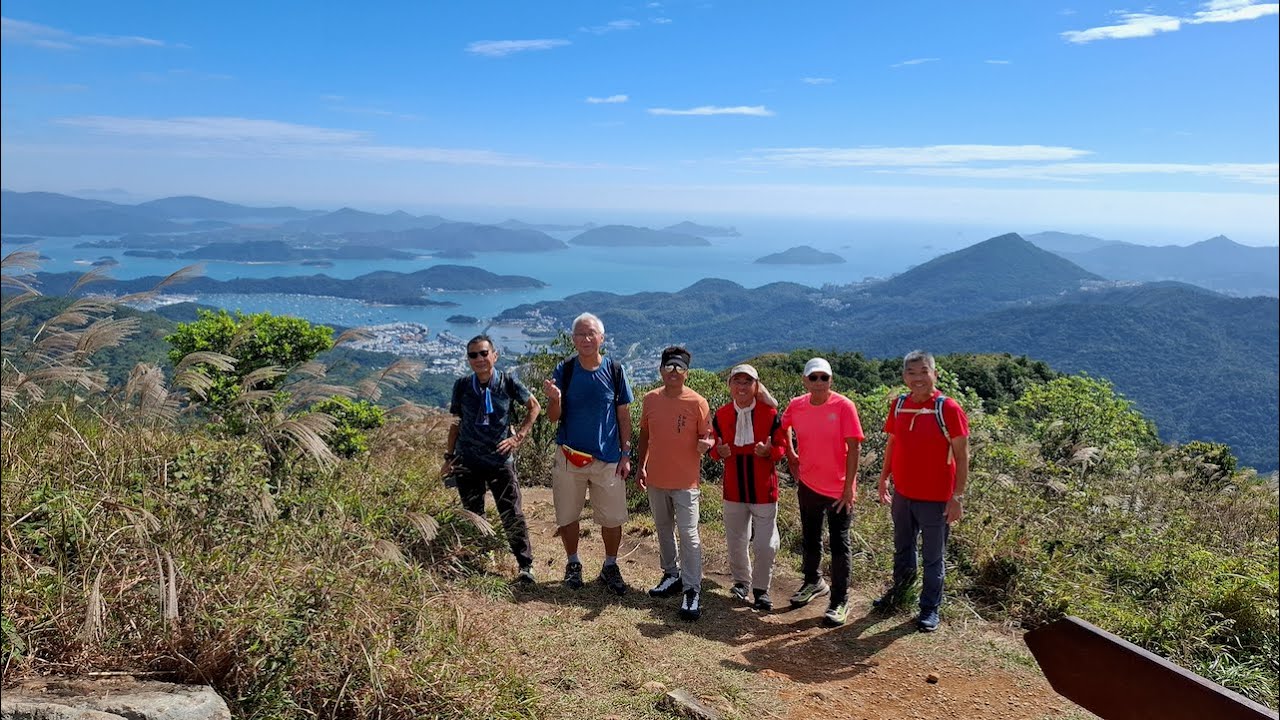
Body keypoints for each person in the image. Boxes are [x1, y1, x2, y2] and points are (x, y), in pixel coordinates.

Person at [876, 350, 970, 632]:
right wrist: (884, 479)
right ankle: (900, 593)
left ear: (934, 374)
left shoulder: (949, 409)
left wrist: (958, 497)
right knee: (903, 549)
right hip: (903, 493)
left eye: (923, 372)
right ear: (904, 376)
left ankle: (929, 608)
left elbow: (963, 456)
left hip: (936, 498)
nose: (918, 378)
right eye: (911, 373)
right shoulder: (899, 405)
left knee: (933, 556)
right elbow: (892, 443)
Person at [542, 312, 635, 595]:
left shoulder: (615, 371)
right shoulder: (565, 370)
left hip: (607, 458)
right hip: (569, 456)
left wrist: (625, 453)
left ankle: (610, 564)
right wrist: (555, 399)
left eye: (591, 333)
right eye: (580, 334)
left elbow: (623, 415)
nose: (585, 338)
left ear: (601, 338)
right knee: (568, 515)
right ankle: (573, 563)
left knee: (613, 517)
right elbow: (553, 417)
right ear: (573, 339)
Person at [442, 335, 541, 583]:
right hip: (468, 459)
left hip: (500, 460)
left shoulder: (508, 383)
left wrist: (518, 437)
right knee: (472, 513)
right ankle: (475, 559)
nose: (479, 359)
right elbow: (455, 423)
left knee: (511, 511)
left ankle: (525, 565)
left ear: (494, 355)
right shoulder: (462, 386)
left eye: (484, 353)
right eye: (473, 355)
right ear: (468, 359)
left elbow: (534, 406)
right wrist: (449, 457)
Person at [780, 357, 864, 627]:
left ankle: (839, 600)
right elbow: (783, 426)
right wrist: (792, 454)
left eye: (823, 378)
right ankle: (813, 581)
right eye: (813, 378)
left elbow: (855, 448)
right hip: (808, 483)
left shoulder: (843, 406)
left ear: (831, 380)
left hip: (839, 489)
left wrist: (849, 487)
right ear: (805, 380)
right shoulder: (797, 405)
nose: (818, 382)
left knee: (839, 544)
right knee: (810, 537)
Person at [636, 347, 714, 620]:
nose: (673, 372)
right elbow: (645, 434)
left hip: (686, 481)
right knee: (663, 528)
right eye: (669, 367)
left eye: (679, 368)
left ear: (686, 373)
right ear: (661, 370)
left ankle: (692, 588)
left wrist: (707, 444)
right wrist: (640, 467)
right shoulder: (650, 399)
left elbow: (708, 436)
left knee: (689, 534)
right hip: (656, 477)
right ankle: (671, 574)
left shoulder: (697, 402)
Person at [710, 363, 786, 612]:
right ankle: (742, 582)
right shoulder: (721, 415)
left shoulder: (770, 413)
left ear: (756, 386)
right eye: (737, 381)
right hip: (733, 490)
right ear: (730, 385)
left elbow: (782, 447)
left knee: (764, 544)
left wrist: (769, 452)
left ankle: (761, 589)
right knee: (736, 541)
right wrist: (717, 452)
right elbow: (712, 447)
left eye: (747, 382)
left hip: (764, 490)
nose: (742, 387)